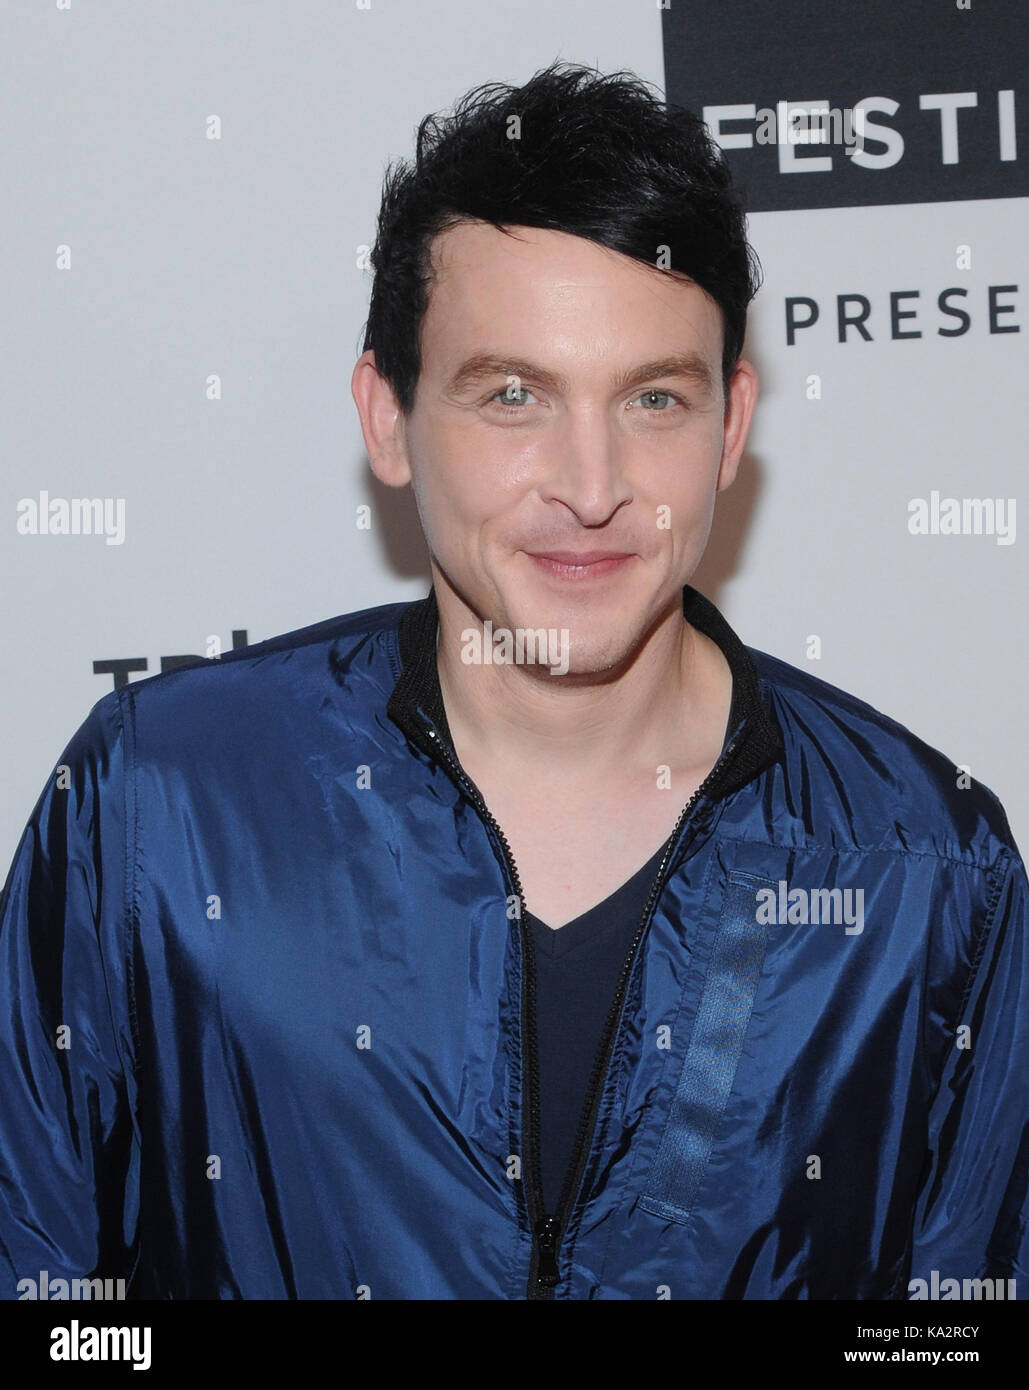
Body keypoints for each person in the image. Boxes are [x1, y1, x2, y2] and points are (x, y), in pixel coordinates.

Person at [1, 61, 1026, 1303]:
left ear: (732, 425)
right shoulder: (157, 808)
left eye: (654, 397)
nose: (591, 484)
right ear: (387, 418)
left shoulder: (926, 868)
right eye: (513, 395)